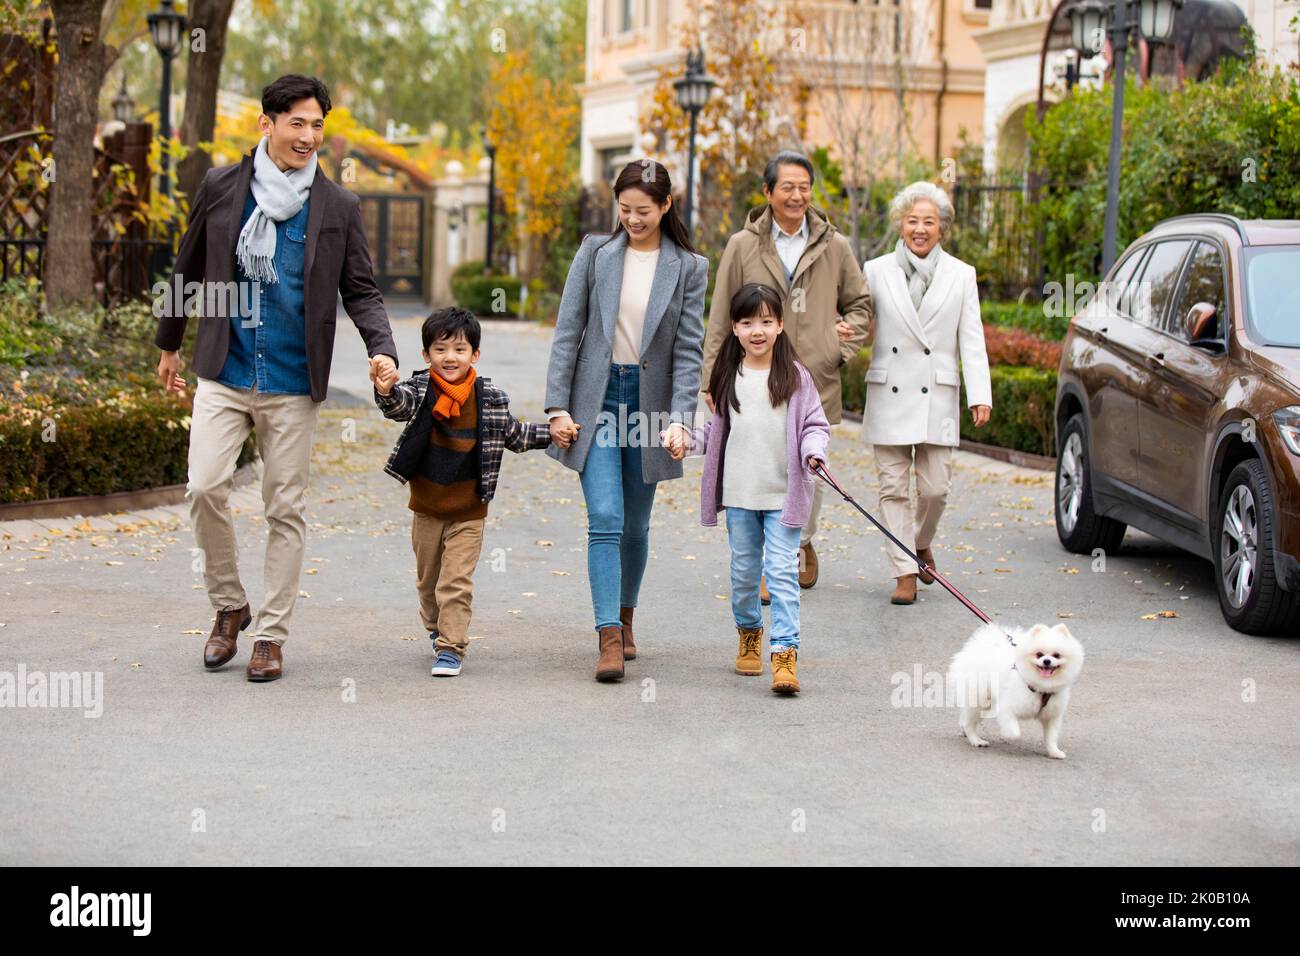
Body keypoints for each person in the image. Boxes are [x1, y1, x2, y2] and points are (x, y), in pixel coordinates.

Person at [154, 74, 398, 682]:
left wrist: (382, 349)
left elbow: (360, 289)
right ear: (267, 124)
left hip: (292, 380)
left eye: (318, 126)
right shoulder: (222, 186)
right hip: (225, 368)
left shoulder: (338, 205)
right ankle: (229, 605)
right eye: (299, 123)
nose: (310, 136)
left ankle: (270, 635)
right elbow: (188, 263)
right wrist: (169, 343)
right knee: (205, 488)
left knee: (284, 509)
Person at [544, 159, 707, 682]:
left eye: (643, 210)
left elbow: (688, 351)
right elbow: (568, 331)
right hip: (597, 400)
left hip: (649, 404)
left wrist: (682, 419)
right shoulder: (596, 254)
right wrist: (557, 406)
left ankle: (628, 617)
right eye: (624, 209)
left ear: (665, 207)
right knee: (606, 518)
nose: (633, 219)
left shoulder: (688, 267)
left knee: (636, 525)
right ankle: (608, 635)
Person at [701, 150, 872, 594]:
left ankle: (801, 540)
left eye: (804, 187)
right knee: (759, 465)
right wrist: (710, 381)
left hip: (813, 377)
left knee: (808, 464)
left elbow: (860, 305)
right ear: (768, 192)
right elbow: (721, 316)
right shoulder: (743, 245)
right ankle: (766, 561)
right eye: (787, 187)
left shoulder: (834, 245)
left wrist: (839, 346)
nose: (797, 196)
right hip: (751, 379)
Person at [667, 283, 829, 695]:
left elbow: (815, 426)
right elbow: (717, 431)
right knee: (743, 574)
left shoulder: (795, 376)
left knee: (780, 573)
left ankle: (785, 653)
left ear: (779, 325)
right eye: (746, 322)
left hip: (783, 497)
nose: (757, 330)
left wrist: (812, 453)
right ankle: (750, 632)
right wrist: (688, 441)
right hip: (740, 496)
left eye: (766, 321)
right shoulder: (728, 376)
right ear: (735, 328)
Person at [372, 308, 550, 677]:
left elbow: (515, 436)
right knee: (428, 582)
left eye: (459, 349)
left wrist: (555, 433)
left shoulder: (490, 398)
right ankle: (437, 628)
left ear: (475, 355)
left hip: (469, 511)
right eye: (440, 350)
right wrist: (386, 389)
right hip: (427, 507)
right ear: (426, 356)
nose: (449, 357)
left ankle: (451, 647)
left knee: (455, 581)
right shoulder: (421, 389)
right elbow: (398, 405)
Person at [858, 181, 992, 605]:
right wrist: (843, 332)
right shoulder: (876, 269)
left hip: (937, 394)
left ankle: (919, 541)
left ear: (941, 228)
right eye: (912, 220)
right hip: (889, 390)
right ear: (900, 224)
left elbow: (971, 337)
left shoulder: (961, 274)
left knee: (935, 488)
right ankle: (904, 572)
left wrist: (980, 393)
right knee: (892, 489)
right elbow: (861, 321)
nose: (919, 229)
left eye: (928, 222)